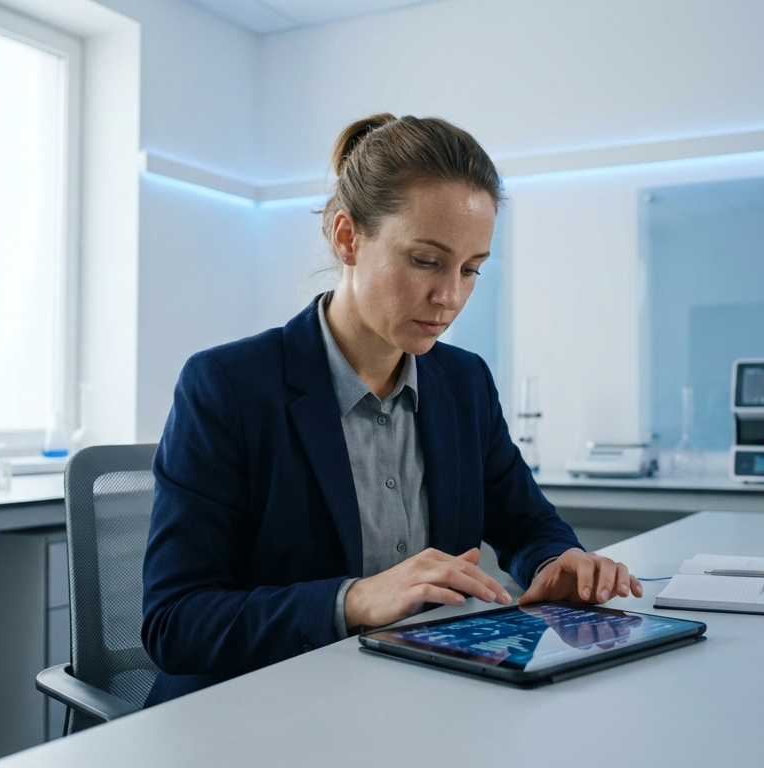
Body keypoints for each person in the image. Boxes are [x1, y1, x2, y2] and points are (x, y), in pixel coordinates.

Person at [141, 114, 642, 706]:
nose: (449, 296)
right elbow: (175, 622)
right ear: (347, 237)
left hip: (417, 699)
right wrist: (353, 599)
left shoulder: (464, 383)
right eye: (426, 260)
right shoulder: (228, 386)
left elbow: (528, 523)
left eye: (471, 269)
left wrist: (560, 561)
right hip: (259, 711)